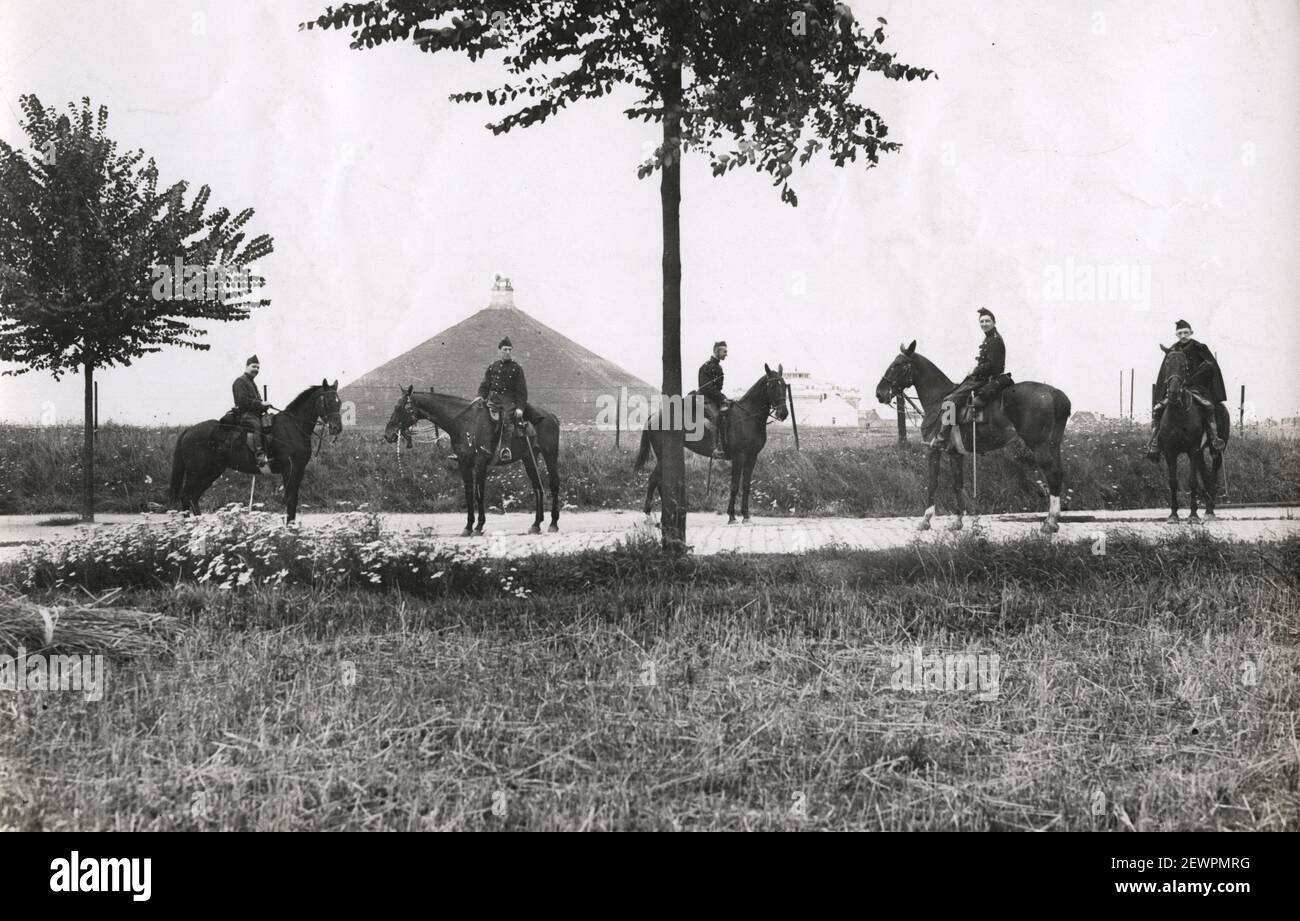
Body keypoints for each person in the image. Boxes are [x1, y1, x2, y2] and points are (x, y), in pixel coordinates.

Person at [1145, 319, 1227, 459]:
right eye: (1180, 333)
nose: (1183, 336)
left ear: (1191, 333)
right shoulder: (1172, 350)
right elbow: (1166, 372)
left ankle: (1214, 439)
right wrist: (1165, 390)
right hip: (1176, 388)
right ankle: (1156, 442)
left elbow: (1212, 367)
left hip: (1197, 388)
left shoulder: (1200, 348)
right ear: (1177, 335)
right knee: (1159, 409)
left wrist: (1202, 373)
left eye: (1186, 333)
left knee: (1208, 406)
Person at [938, 309, 1006, 444]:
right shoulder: (990, 338)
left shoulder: (995, 340)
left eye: (987, 321)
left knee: (950, 399)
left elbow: (994, 366)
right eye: (981, 321)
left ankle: (943, 435)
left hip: (986, 379)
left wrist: (975, 370)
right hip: (982, 377)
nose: (984, 324)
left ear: (994, 322)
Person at [476, 336, 534, 460]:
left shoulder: (516, 368)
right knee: (479, 417)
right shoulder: (492, 367)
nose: (507, 352)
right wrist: (480, 397)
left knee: (506, 419)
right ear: (499, 351)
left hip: (508, 402)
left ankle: (505, 449)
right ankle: (477, 447)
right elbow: (485, 385)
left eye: (509, 350)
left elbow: (522, 391)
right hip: (492, 400)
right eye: (505, 349)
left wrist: (520, 408)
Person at [233, 354, 271, 471]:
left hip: (254, 414)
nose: (256, 369)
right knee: (257, 425)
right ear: (247, 366)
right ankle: (259, 455)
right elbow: (242, 401)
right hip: (245, 415)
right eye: (254, 366)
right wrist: (260, 404)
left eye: (258, 368)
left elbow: (256, 402)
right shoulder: (239, 381)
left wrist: (264, 407)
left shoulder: (251, 382)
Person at [698, 341, 730, 459]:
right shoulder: (705, 367)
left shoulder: (719, 368)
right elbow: (706, 387)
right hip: (703, 399)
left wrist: (723, 398)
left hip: (714, 399)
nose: (726, 354)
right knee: (715, 416)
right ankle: (714, 449)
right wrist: (721, 397)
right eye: (724, 351)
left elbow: (718, 388)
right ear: (717, 351)